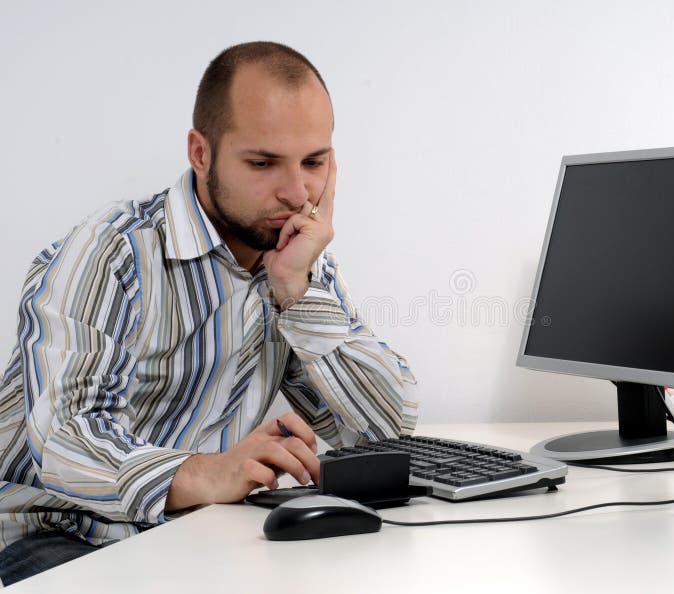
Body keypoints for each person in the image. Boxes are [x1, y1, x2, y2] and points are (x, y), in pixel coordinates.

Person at [0, 41, 417, 585]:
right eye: (263, 163)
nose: (297, 192)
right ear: (201, 153)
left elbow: (384, 430)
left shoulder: (295, 265)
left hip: (192, 536)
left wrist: (296, 289)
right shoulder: (112, 255)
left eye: (314, 162)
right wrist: (206, 472)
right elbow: (64, 443)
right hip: (57, 536)